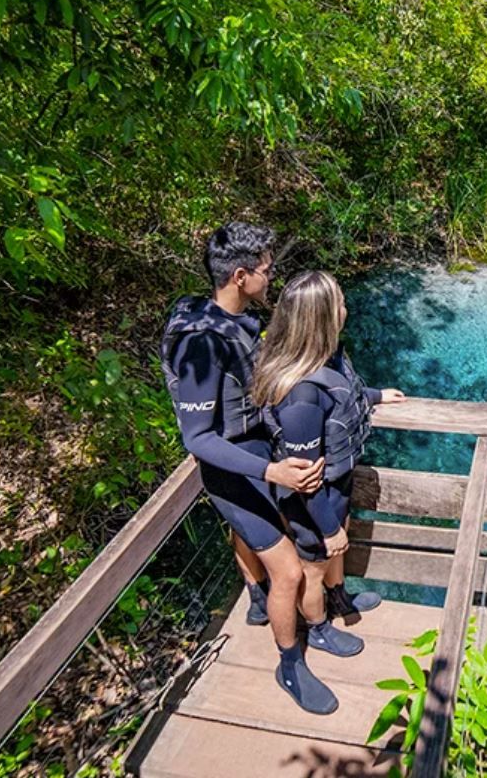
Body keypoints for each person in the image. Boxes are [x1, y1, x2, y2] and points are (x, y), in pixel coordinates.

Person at [161, 223, 344, 715]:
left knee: (259, 539)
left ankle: (257, 598)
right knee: (286, 570)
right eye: (265, 270)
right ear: (240, 276)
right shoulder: (200, 343)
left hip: (257, 453)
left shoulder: (234, 321)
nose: (271, 276)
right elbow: (197, 439)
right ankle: (290, 665)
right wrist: (274, 474)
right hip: (231, 469)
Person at [250, 270, 406, 635]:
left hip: (338, 483)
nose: (346, 309)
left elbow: (343, 398)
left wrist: (376, 396)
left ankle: (338, 598)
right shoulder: (301, 396)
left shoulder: (329, 357)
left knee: (331, 555)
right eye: (340, 303)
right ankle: (318, 627)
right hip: (314, 500)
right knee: (314, 565)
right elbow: (304, 478)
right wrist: (329, 526)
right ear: (322, 317)